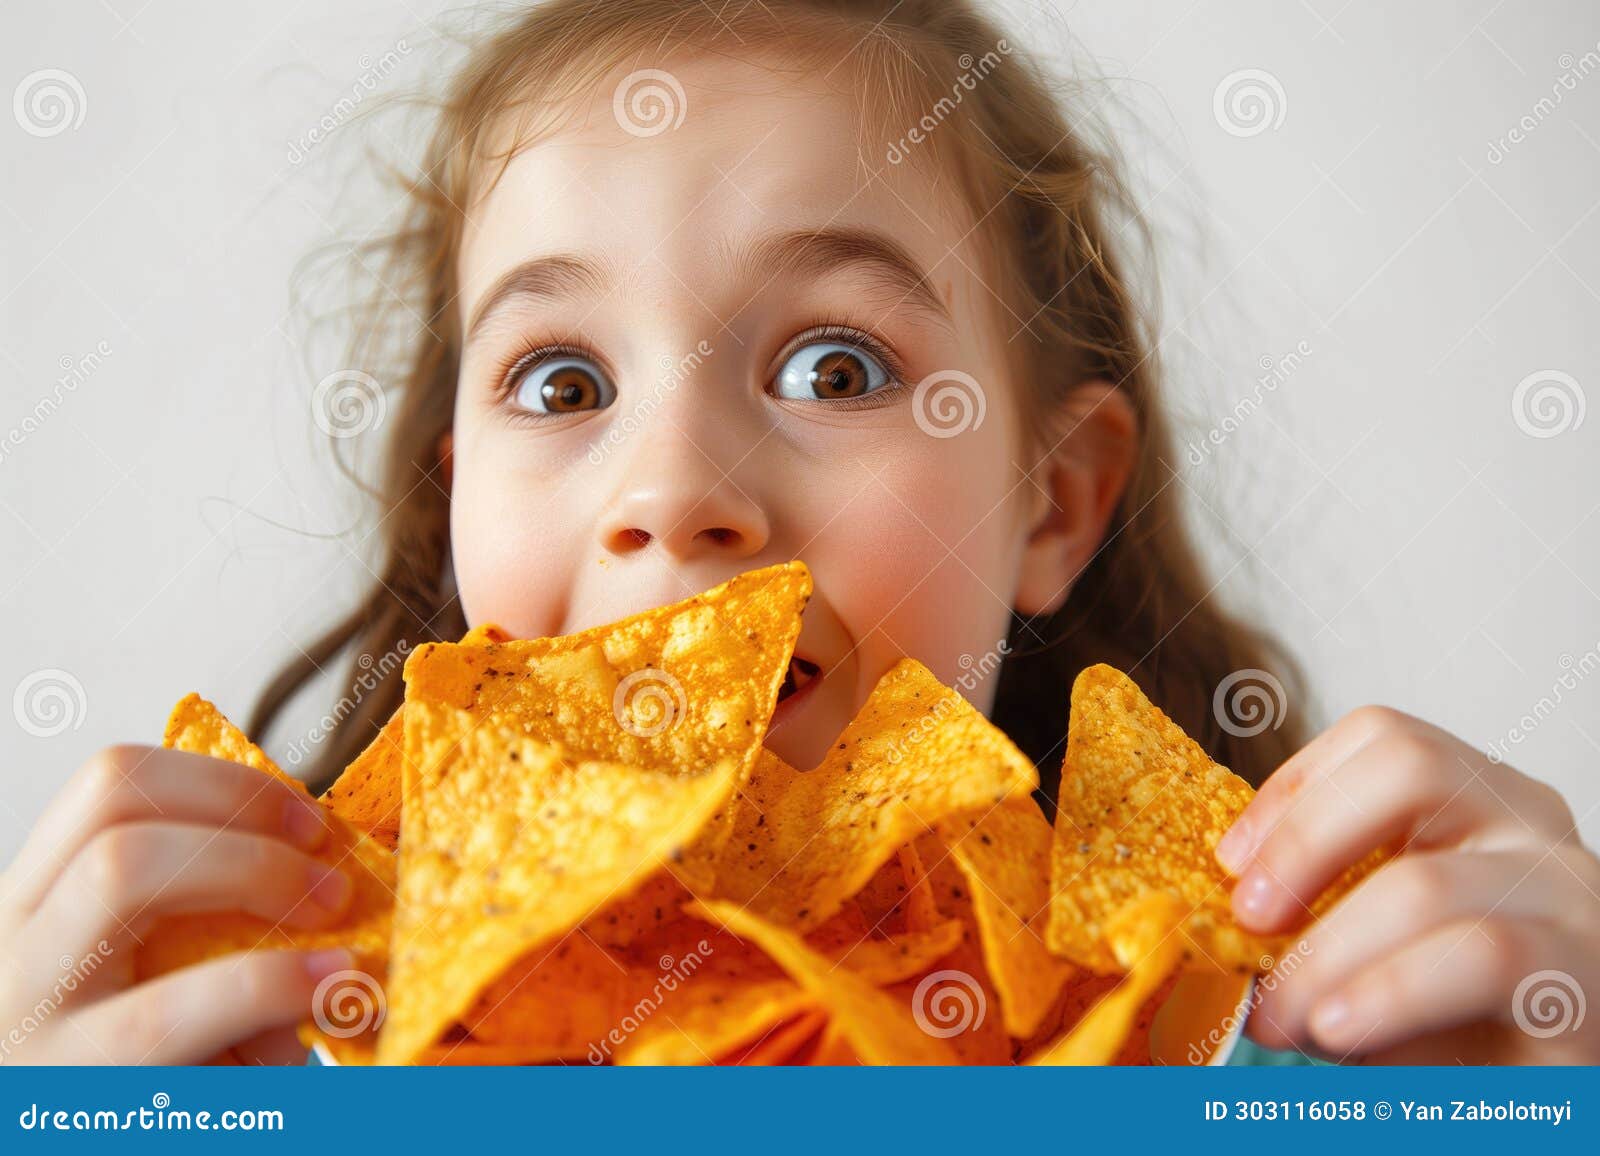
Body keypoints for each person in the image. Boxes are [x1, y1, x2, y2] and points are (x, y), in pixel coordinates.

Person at [3, 0, 1595, 1065]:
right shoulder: (260, 1065)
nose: (675, 489)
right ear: (448, 505)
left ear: (1050, 504)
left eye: (834, 366)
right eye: (562, 382)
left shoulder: (1291, 1047)